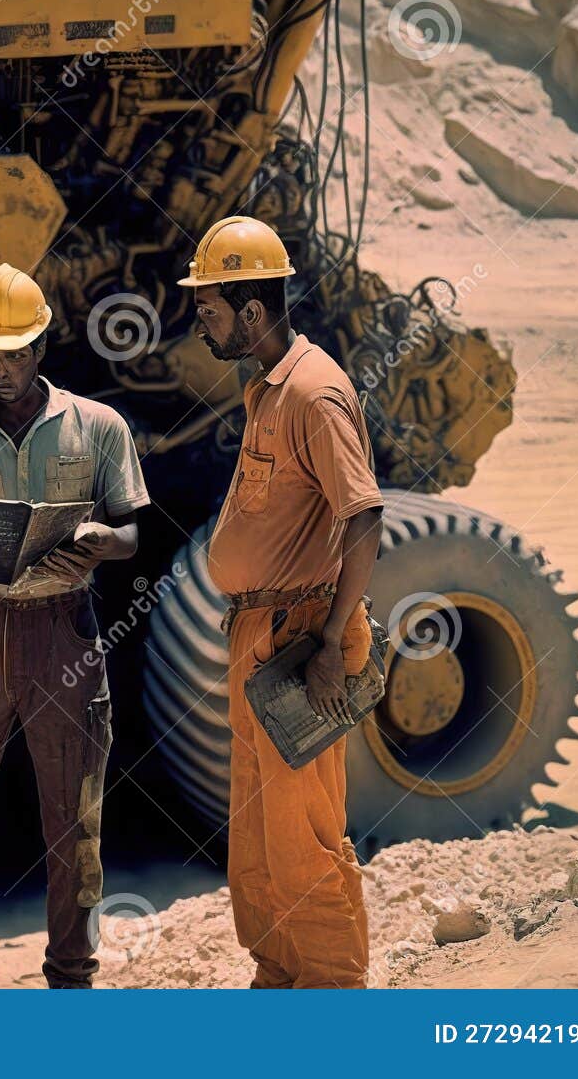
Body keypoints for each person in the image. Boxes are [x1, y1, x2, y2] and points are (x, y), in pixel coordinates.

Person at [0, 263, 150, 988]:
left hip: (64, 632)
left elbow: (134, 533)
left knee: (75, 817)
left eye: (14, 353)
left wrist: (106, 541)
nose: (2, 368)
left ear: (41, 345)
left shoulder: (99, 426)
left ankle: (72, 974)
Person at [180, 215, 384, 989]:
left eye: (210, 310)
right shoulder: (266, 389)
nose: (201, 324)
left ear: (253, 311)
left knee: (302, 837)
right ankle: (280, 978)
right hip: (260, 637)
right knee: (259, 837)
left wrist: (332, 641)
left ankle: (333, 994)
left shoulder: (314, 391)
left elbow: (363, 516)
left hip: (301, 640)